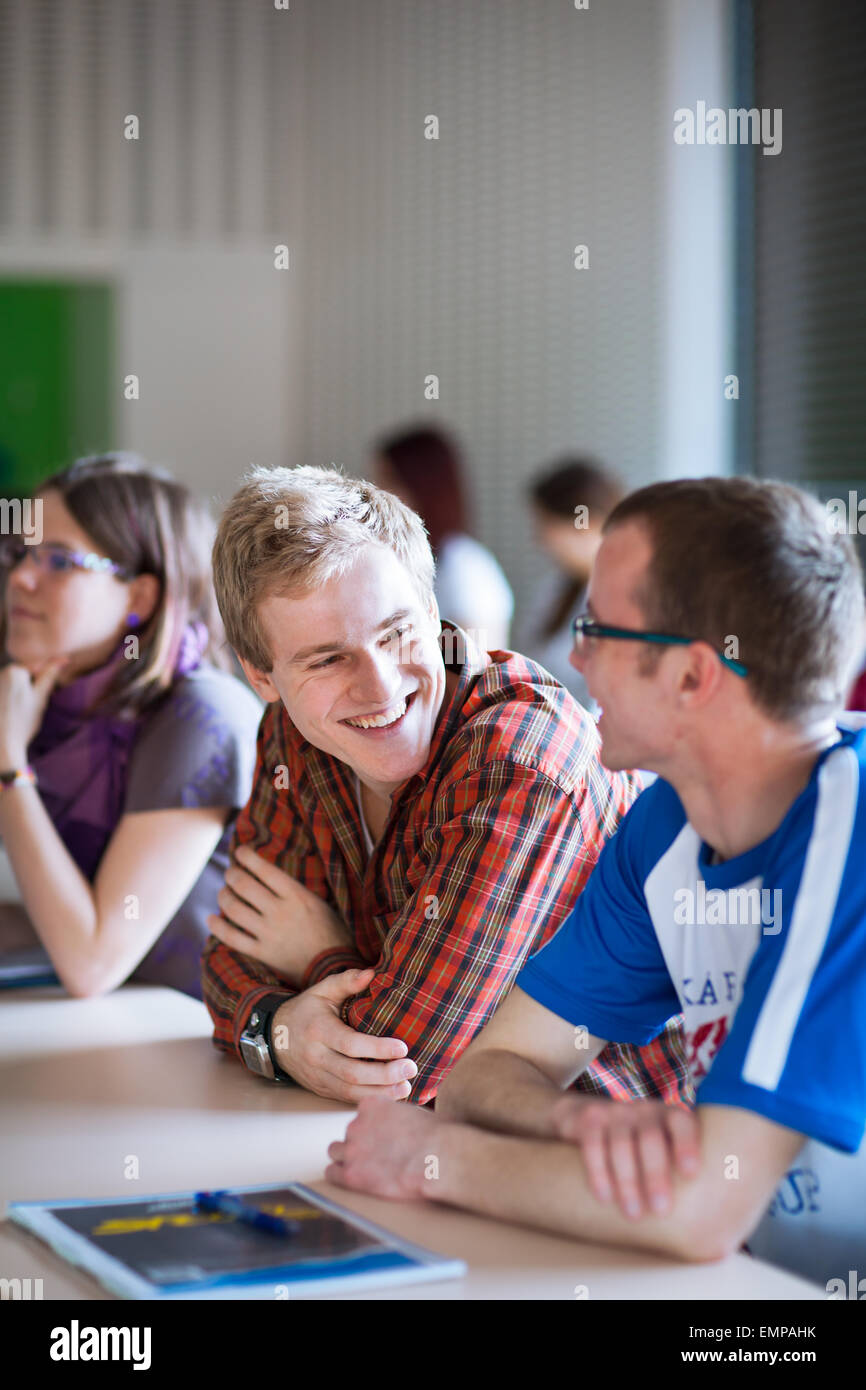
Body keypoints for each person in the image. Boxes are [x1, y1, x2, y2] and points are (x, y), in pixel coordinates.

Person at [326, 476, 866, 1289]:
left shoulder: (850, 823)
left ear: (692, 676)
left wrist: (431, 1160)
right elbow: (483, 1076)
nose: (574, 659)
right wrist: (576, 1120)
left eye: (597, 629)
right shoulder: (669, 823)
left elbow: (697, 1211)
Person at [201, 464, 690, 1108]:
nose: (379, 688)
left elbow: (403, 1058)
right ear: (263, 677)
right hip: (396, 1145)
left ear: (434, 613)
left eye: (397, 632)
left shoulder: (522, 760)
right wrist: (281, 1028)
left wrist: (319, 956)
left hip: (599, 1153)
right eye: (327, 659)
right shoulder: (292, 733)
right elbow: (231, 954)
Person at [0, 453, 262, 998]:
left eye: (60, 561)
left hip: (221, 1049)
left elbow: (91, 961)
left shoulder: (200, 717)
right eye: (20, 553)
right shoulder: (40, 701)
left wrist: (9, 767)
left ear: (139, 597)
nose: (21, 577)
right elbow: (62, 912)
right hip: (125, 1026)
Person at [372, 425, 514, 649]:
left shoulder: (467, 566)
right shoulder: (398, 560)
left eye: (388, 480)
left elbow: (477, 666)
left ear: (423, 487)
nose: (378, 492)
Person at [513, 457, 624, 710]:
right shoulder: (554, 588)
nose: (539, 539)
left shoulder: (626, 599)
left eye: (546, 525)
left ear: (586, 523)